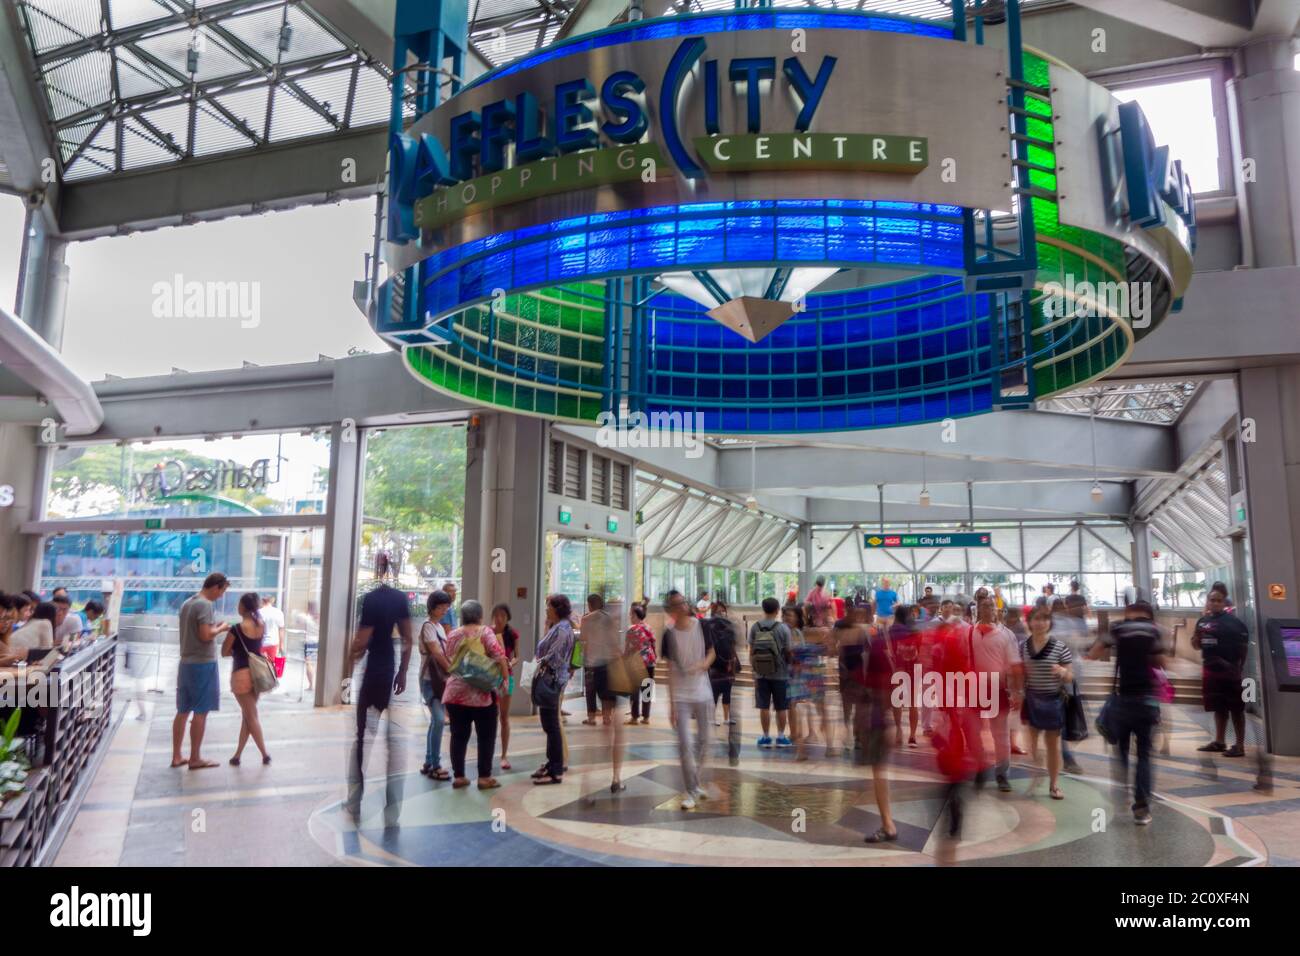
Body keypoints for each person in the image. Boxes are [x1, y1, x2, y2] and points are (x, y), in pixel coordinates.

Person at [346, 557, 413, 825]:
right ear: (394, 570)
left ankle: (354, 802)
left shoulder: (371, 599)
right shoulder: (400, 599)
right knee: (393, 744)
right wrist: (403, 672)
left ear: (377, 569)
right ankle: (392, 811)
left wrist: (350, 662)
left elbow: (361, 641)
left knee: (361, 740)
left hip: (373, 674)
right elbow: (408, 640)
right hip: (390, 672)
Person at [1089, 600, 1164, 825]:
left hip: (1123, 700)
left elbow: (1094, 652)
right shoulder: (1154, 630)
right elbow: (1161, 663)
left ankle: (1121, 792)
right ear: (1149, 614)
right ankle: (1141, 807)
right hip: (1147, 701)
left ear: (1128, 612)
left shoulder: (1118, 628)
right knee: (1144, 754)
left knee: (1120, 750)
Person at [443, 600, 509, 790]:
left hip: (455, 694)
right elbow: (499, 656)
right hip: (481, 694)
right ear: (480, 616)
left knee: (458, 736)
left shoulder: (453, 634)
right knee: (486, 737)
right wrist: (505, 681)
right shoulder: (485, 632)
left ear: (462, 616)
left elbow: (449, 658)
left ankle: (459, 776)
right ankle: (484, 777)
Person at [661, 589, 715, 809]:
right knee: (684, 743)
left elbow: (712, 653)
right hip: (682, 696)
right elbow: (670, 670)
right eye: (676, 604)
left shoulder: (702, 626)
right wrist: (672, 704)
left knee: (704, 742)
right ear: (670, 609)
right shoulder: (669, 634)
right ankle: (690, 790)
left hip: (702, 692)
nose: (681, 606)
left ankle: (696, 782)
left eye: (683, 602)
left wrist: (702, 664)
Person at [172, 572, 231, 771]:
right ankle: (195, 757)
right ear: (216, 587)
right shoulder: (205, 605)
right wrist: (221, 628)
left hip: (186, 663)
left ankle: (177, 755)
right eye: (222, 591)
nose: (221, 596)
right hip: (202, 664)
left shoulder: (188, 603)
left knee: (182, 710)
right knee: (201, 710)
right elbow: (206, 635)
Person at [967, 596, 1023, 792]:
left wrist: (1016, 691)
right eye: (984, 606)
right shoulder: (970, 632)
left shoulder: (1006, 635)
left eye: (991, 606)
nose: (987, 609)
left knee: (999, 734)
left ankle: (1002, 774)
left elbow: (1015, 665)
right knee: (973, 731)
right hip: (975, 689)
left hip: (997, 690)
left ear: (997, 609)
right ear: (978, 609)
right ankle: (981, 767)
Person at [1020, 604, 1073, 800]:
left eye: (1045, 619)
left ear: (1050, 623)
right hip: (1032, 699)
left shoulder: (1059, 647)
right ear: (1030, 622)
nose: (1041, 623)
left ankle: (1054, 784)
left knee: (1052, 744)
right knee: (1032, 744)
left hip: (1052, 700)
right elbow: (1020, 674)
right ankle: (1037, 772)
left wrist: (1063, 672)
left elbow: (1070, 677)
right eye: (1037, 619)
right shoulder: (1023, 647)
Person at [1192, 588, 1250, 757]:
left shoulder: (1235, 623)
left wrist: (1239, 668)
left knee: (1237, 708)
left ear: (1224, 603)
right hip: (1211, 672)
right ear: (1208, 602)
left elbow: (1243, 648)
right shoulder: (1202, 621)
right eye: (1212, 600)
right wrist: (1197, 638)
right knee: (1218, 707)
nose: (1215, 603)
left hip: (1231, 672)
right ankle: (1219, 741)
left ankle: (1239, 745)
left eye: (1219, 600)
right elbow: (1196, 645)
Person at [862, 610, 899, 844]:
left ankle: (888, 824)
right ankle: (887, 822)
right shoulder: (875, 645)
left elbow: (887, 682)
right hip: (873, 715)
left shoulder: (875, 646)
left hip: (875, 716)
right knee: (878, 771)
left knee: (879, 771)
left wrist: (890, 723)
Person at [222, 592, 271, 766]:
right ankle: (237, 755)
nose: (237, 606)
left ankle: (265, 754)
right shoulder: (261, 625)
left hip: (241, 676)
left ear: (243, 607)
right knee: (248, 716)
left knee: (251, 716)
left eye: (239, 603)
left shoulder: (236, 628)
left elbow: (224, 652)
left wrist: (237, 652)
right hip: (258, 675)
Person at [533, 594, 577, 784]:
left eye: (548, 607)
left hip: (552, 680)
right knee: (549, 724)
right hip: (552, 679)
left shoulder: (562, 629)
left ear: (557, 608)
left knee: (551, 725)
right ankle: (552, 764)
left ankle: (556, 769)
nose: (546, 610)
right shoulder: (558, 627)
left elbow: (555, 656)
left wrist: (540, 663)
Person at [749, 597, 793, 749]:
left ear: (763, 609)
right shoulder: (783, 628)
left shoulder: (755, 627)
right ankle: (781, 737)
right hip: (780, 674)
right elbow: (788, 651)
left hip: (761, 674)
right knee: (781, 707)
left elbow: (751, 651)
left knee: (764, 707)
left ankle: (766, 737)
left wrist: (754, 671)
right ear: (777, 610)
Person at [418, 590, 453, 780]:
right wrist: (451, 670)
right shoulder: (428, 627)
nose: (444, 610)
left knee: (436, 721)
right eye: (441, 607)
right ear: (433, 607)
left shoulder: (438, 626)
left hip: (438, 680)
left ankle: (429, 762)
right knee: (439, 719)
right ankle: (435, 764)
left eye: (446, 607)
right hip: (430, 680)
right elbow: (437, 653)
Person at [580, 593, 620, 726]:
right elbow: (614, 640)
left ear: (590, 604)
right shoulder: (609, 619)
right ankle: (606, 717)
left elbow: (583, 641)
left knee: (591, 690)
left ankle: (591, 718)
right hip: (607, 660)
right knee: (606, 690)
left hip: (591, 661)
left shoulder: (586, 619)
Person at [492, 603, 520, 772]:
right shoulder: (488, 632)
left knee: (504, 717)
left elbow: (517, 655)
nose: (499, 618)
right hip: (490, 677)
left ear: (508, 617)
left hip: (507, 676)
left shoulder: (512, 634)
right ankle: (489, 752)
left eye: (503, 615)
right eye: (496, 614)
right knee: (490, 716)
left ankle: (504, 755)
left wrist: (511, 662)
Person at [888, 604, 921, 747]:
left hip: (897, 669)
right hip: (913, 669)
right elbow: (920, 651)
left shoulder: (892, 631)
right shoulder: (916, 631)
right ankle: (912, 736)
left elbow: (890, 652)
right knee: (913, 703)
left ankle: (899, 730)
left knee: (897, 702)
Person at [706, 599, 739, 728]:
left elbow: (732, 644)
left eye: (722, 610)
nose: (721, 612)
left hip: (727, 663)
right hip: (715, 663)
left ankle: (727, 718)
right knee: (714, 692)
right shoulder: (710, 626)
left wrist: (732, 659)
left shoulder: (728, 626)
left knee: (727, 691)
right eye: (718, 610)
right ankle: (712, 718)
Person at [626, 603, 657, 725]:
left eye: (631, 615)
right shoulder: (648, 628)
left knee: (634, 691)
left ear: (635, 615)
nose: (630, 617)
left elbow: (628, 648)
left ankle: (634, 717)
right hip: (649, 662)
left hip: (636, 663)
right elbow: (653, 643)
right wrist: (654, 656)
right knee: (647, 690)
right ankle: (646, 717)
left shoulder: (632, 629)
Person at [259, 595, 286, 676]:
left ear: (262, 601)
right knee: (271, 664)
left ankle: (263, 682)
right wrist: (281, 645)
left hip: (261, 643)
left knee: (261, 665)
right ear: (272, 601)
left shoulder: (258, 612)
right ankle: (270, 683)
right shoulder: (278, 612)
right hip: (274, 642)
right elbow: (281, 629)